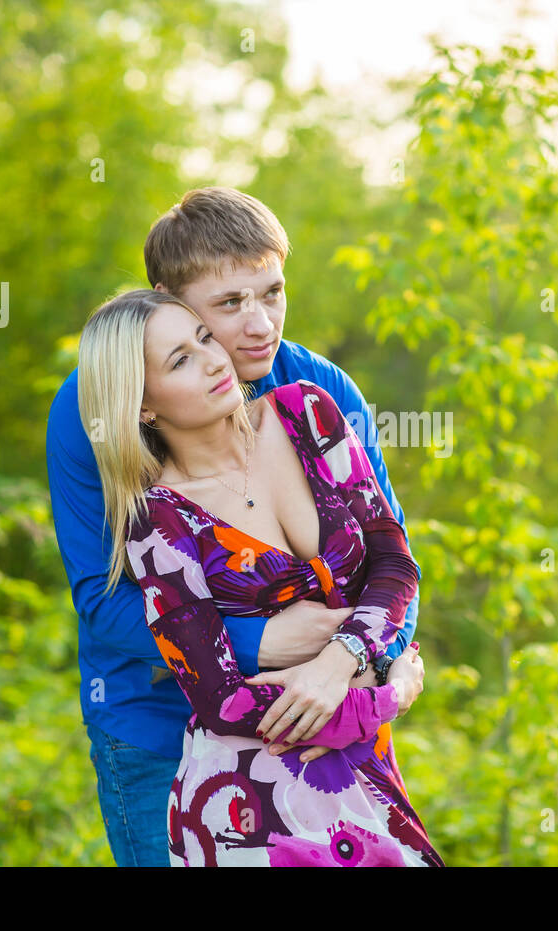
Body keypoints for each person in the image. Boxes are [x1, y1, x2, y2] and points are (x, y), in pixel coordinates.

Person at [44, 187, 424, 865]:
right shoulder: (94, 414)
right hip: (162, 731)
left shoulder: (318, 394)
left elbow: (390, 559)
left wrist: (364, 666)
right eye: (228, 304)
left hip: (337, 710)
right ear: (170, 301)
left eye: (272, 292)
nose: (260, 326)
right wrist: (259, 644)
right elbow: (102, 599)